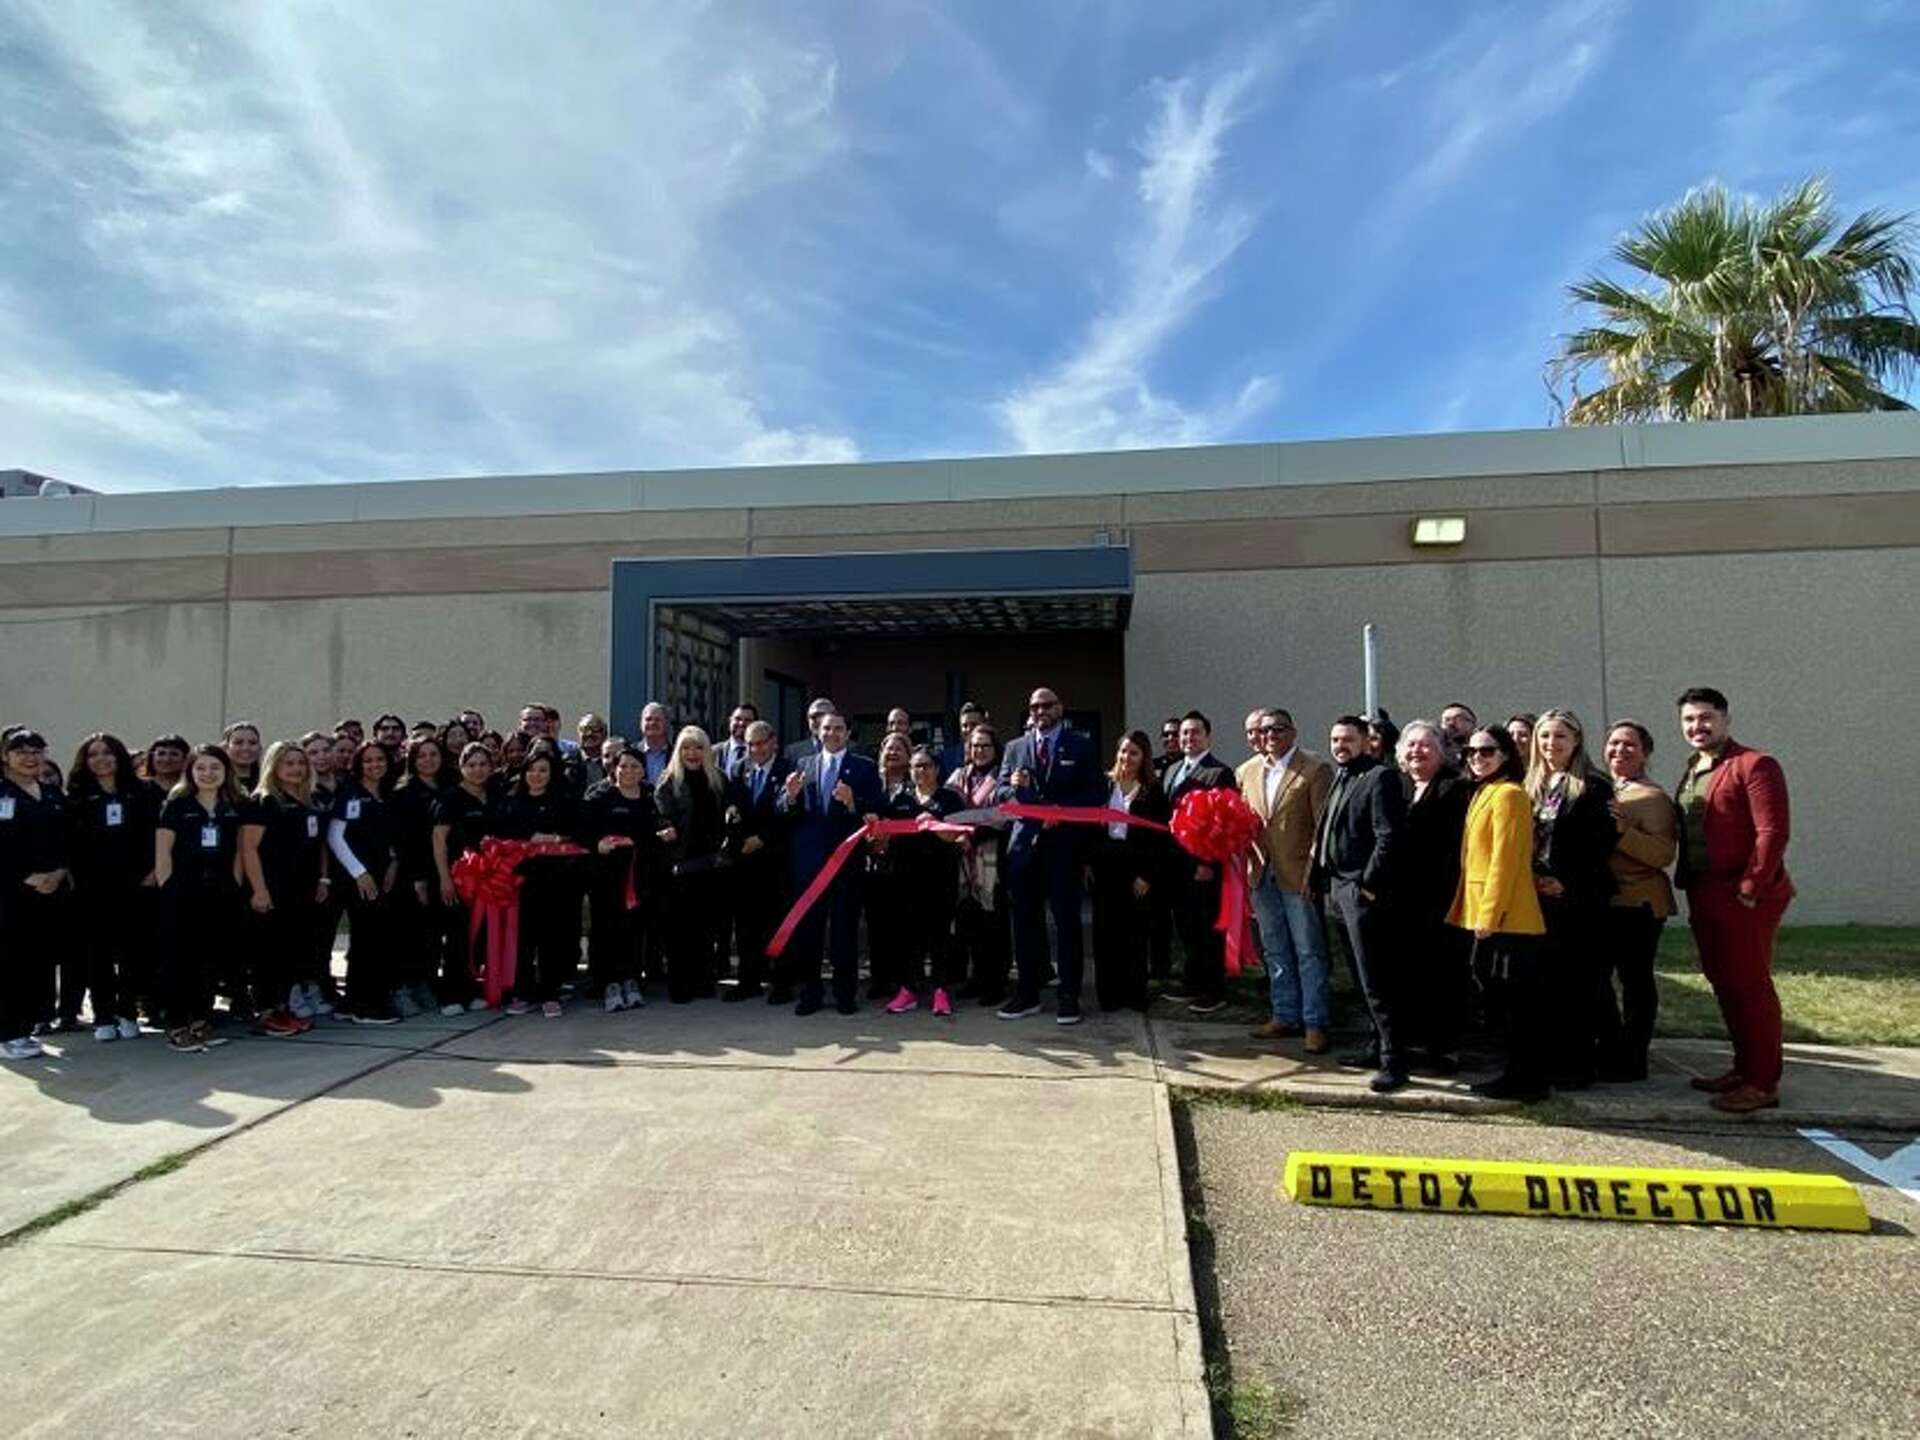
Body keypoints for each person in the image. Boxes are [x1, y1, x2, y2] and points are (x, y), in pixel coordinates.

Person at [1673, 687, 1793, 1114]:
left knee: (1751, 987)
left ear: (1726, 720)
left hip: (1743, 896)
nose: (1697, 727)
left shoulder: (1755, 764)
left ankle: (1763, 1083)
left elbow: (1772, 832)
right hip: (1705, 893)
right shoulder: (1694, 769)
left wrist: (1750, 888)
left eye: (1706, 718)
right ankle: (1743, 1069)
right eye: (1689, 720)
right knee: (1725, 985)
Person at [1448, 726, 1549, 1101]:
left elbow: (1504, 863)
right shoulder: (1485, 791)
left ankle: (1526, 1078)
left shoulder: (1509, 795)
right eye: (1471, 751)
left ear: (1505, 754)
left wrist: (1488, 917)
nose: (1477, 757)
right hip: (1487, 914)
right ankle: (1516, 1073)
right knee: (1502, 1002)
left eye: (1486, 751)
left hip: (1509, 919)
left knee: (1517, 1004)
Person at [995, 687, 1103, 1024]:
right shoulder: (1015, 748)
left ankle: (1068, 994)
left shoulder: (1081, 745)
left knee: (1066, 921)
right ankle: (1027, 992)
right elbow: (1000, 793)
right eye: (1034, 706)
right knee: (1024, 923)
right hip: (1024, 848)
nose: (1040, 711)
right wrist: (1013, 785)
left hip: (1063, 847)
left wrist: (1063, 810)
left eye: (1047, 705)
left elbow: (1096, 791)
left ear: (1060, 708)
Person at [1312, 715, 1408, 1091]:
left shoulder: (1379, 777)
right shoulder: (1342, 776)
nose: (1340, 746)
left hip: (1362, 891)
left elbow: (1389, 836)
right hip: (1337, 887)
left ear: (1368, 741)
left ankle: (1394, 1060)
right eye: (1335, 739)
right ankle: (1374, 1044)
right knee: (1357, 976)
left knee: (1376, 980)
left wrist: (1368, 885)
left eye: (1348, 740)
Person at [1527, 709, 1616, 1090]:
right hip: (1540, 896)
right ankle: (1550, 1058)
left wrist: (1567, 882)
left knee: (1579, 983)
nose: (1551, 744)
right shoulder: (1535, 784)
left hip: (1580, 900)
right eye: (1545, 736)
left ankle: (1578, 1065)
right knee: (1547, 983)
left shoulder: (1594, 786)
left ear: (1576, 740)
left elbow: (1600, 845)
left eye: (1560, 736)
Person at [1237, 709, 1334, 1051]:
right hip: (1261, 873)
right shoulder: (1246, 771)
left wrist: (1313, 871)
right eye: (1264, 730)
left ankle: (1315, 1022)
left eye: (1279, 728)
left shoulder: (1315, 768)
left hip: (1298, 875)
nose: (1271, 735)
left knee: (1309, 950)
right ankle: (1284, 1014)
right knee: (1275, 948)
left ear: (1292, 732)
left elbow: (1323, 827)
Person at [777, 712, 881, 1015]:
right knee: (809, 931)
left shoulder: (864, 767)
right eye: (827, 728)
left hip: (845, 864)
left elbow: (874, 812)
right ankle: (811, 992)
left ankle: (844, 993)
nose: (832, 733)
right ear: (817, 732)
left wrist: (853, 803)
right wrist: (790, 797)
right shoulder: (803, 765)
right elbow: (785, 812)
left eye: (838, 728)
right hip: (809, 864)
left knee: (844, 932)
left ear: (847, 733)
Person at [153, 743, 246, 1053]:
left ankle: (201, 1020)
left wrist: (234, 883)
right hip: (182, 892)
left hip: (218, 892)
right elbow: (163, 852)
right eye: (201, 768)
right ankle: (177, 1023)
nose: (208, 774)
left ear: (225, 772)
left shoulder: (232, 805)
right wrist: (168, 889)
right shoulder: (177, 804)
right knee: (180, 959)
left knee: (209, 959)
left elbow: (237, 850)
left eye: (215, 768)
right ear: (191, 772)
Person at [1600, 719, 1678, 1083]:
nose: (1620, 750)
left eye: (1630, 745)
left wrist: (1623, 832)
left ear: (1646, 753)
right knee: (1599, 978)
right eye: (1614, 743)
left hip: (1639, 904)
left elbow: (1662, 853)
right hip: (1607, 902)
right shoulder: (1607, 789)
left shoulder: (1654, 798)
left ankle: (1632, 1058)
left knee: (1635, 982)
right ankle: (1611, 1047)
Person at [64, 732, 155, 1041]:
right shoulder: (76, 796)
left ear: (119, 757)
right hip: (92, 888)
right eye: (93, 754)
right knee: (97, 954)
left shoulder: (141, 793)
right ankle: (103, 1015)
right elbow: (69, 845)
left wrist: (152, 871)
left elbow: (156, 836)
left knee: (135, 953)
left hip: (136, 884)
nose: (100, 759)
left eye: (107, 752)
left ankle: (127, 1011)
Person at [1392, 720, 1472, 1071]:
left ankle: (1445, 1048)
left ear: (1442, 752)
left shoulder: (1455, 789)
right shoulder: (1401, 789)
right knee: (1411, 972)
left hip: (1443, 896)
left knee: (1445, 974)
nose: (1416, 751)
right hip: (1406, 900)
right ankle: (1414, 1043)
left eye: (1425, 745)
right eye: (1410, 745)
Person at [239, 740, 327, 1037]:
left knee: (291, 953)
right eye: (289, 763)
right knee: (269, 955)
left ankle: (282, 1008)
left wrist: (321, 880)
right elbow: (249, 848)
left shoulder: (308, 802)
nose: (296, 769)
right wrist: (259, 890)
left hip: (300, 891)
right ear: (274, 766)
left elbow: (317, 847)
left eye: (300, 763)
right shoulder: (263, 801)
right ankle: (266, 1012)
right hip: (272, 889)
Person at [1159, 711, 1239, 1017]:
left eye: (1195, 733)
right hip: (1174, 862)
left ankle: (1213, 989)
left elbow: (1224, 823)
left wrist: (1207, 862)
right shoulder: (1173, 770)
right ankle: (1192, 980)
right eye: (1184, 734)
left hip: (1201, 864)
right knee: (1186, 925)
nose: (1188, 739)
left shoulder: (1218, 772)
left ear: (1208, 736)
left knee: (1207, 927)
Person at [878, 747, 966, 1016]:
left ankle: (941, 991)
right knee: (908, 937)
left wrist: (934, 824)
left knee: (940, 936)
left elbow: (958, 837)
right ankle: (908, 990)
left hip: (941, 878)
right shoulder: (900, 799)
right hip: (905, 879)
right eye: (915, 766)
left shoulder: (950, 799)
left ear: (937, 770)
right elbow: (886, 836)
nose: (920, 771)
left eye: (926, 766)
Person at [499, 742, 584, 1015]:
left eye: (543, 770)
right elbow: (503, 838)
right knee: (523, 940)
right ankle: (523, 992)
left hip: (555, 881)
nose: (536, 775)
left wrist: (554, 838)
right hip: (520, 883)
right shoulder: (511, 802)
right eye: (532, 770)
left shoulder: (563, 802)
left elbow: (576, 833)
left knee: (552, 938)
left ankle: (550, 992)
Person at [1, 730, 71, 1061]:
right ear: (5, 756)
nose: (30, 758)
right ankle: (9, 1032)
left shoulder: (53, 794)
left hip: (50, 891)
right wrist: (25, 877)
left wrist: (58, 873)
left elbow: (67, 840)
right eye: (20, 752)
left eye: (36, 751)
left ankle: (27, 1026)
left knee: (39, 962)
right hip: (11, 892)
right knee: (11, 963)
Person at [1089, 730, 1170, 1013]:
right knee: (1105, 933)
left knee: (1134, 933)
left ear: (1144, 757)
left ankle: (1135, 993)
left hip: (1136, 866)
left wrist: (1146, 874)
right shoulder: (1103, 784)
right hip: (1105, 866)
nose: (1127, 757)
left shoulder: (1152, 790)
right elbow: (1090, 828)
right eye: (1123, 751)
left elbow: (1160, 838)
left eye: (1134, 753)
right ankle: (1109, 995)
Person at [328, 743, 404, 1025]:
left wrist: (393, 862)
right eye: (368, 760)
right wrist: (359, 872)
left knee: (373, 938)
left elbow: (388, 837)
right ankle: (365, 1005)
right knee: (368, 938)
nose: (375, 765)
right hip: (358, 878)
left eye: (380, 759)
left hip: (382, 873)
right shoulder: (351, 793)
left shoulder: (385, 794)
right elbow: (337, 838)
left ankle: (353, 1002)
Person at [580, 745, 659, 1012]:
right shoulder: (601, 797)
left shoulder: (650, 798)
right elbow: (582, 831)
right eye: (623, 766)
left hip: (639, 877)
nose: (628, 771)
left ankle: (632, 979)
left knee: (634, 931)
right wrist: (597, 843)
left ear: (643, 771)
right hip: (606, 878)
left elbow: (655, 831)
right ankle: (608, 983)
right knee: (606, 930)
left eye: (635, 766)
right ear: (614, 769)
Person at [655, 727, 729, 1004]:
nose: (692, 753)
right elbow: (660, 816)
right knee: (679, 930)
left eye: (698, 748)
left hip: (711, 866)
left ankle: (703, 980)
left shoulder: (718, 780)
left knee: (705, 928)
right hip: (679, 866)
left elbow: (728, 814)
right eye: (686, 748)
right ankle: (680, 983)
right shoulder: (668, 781)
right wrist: (665, 829)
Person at [721, 721, 790, 1003]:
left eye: (761, 743)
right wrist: (731, 815)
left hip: (775, 860)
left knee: (777, 923)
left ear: (773, 741)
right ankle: (748, 980)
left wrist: (763, 838)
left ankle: (781, 983)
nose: (756, 749)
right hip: (744, 861)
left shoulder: (788, 769)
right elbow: (731, 803)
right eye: (750, 744)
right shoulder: (738, 769)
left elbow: (790, 813)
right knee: (746, 925)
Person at [432, 742, 503, 1011]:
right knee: (458, 937)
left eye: (483, 764)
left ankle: (473, 989)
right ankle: (452, 994)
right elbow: (439, 839)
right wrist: (444, 878)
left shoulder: (495, 795)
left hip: (491, 879)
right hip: (461, 878)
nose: (478, 770)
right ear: (461, 767)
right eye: (471, 764)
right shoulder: (450, 798)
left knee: (481, 937)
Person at [946, 724, 1011, 1006]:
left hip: (992, 856)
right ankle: (976, 977)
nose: (979, 751)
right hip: (961, 856)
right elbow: (946, 809)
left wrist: (974, 829)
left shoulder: (1002, 777)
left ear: (995, 749)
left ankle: (995, 982)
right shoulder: (958, 776)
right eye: (974, 746)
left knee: (993, 923)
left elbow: (1004, 815)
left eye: (985, 745)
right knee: (968, 922)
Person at [390, 736, 453, 1016]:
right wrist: (417, 879)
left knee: (432, 935)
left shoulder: (446, 788)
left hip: (441, 871)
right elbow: (404, 840)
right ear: (412, 761)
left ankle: (425, 984)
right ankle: (403, 987)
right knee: (410, 935)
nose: (428, 760)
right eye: (421, 756)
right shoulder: (404, 793)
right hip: (414, 875)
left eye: (433, 754)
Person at [865, 733, 916, 1001]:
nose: (893, 752)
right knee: (877, 926)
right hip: (874, 867)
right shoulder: (872, 784)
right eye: (888, 748)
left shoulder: (914, 786)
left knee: (903, 926)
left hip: (905, 866)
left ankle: (905, 980)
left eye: (899, 748)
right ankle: (879, 979)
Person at [939, 702, 986, 774]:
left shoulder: (998, 755)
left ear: (984, 725)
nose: (969, 729)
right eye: (965, 726)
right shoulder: (946, 758)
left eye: (974, 724)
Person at [784, 697, 835, 763]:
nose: (816, 721)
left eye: (821, 716)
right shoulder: (793, 752)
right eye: (812, 717)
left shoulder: (849, 749)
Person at [636, 703, 674, 785]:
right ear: (641, 724)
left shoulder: (676, 754)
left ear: (667, 723)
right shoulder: (632, 753)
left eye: (658, 719)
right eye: (648, 719)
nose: (653, 723)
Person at [223, 721, 263, 793]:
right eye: (238, 742)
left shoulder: (267, 784)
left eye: (252, 743)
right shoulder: (217, 784)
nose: (246, 748)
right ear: (226, 747)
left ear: (260, 748)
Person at [719, 704, 757, 778]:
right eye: (737, 719)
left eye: (747, 720)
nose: (742, 723)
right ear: (730, 720)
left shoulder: (760, 753)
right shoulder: (713, 752)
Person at [575, 713, 611, 789]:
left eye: (595, 729)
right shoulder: (568, 761)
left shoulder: (613, 761)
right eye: (584, 729)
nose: (589, 734)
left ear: (605, 734)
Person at [1439, 703, 1478, 767]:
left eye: (1459, 719)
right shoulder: (1436, 757)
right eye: (1447, 720)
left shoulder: (1483, 754)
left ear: (1473, 725)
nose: (1451, 723)